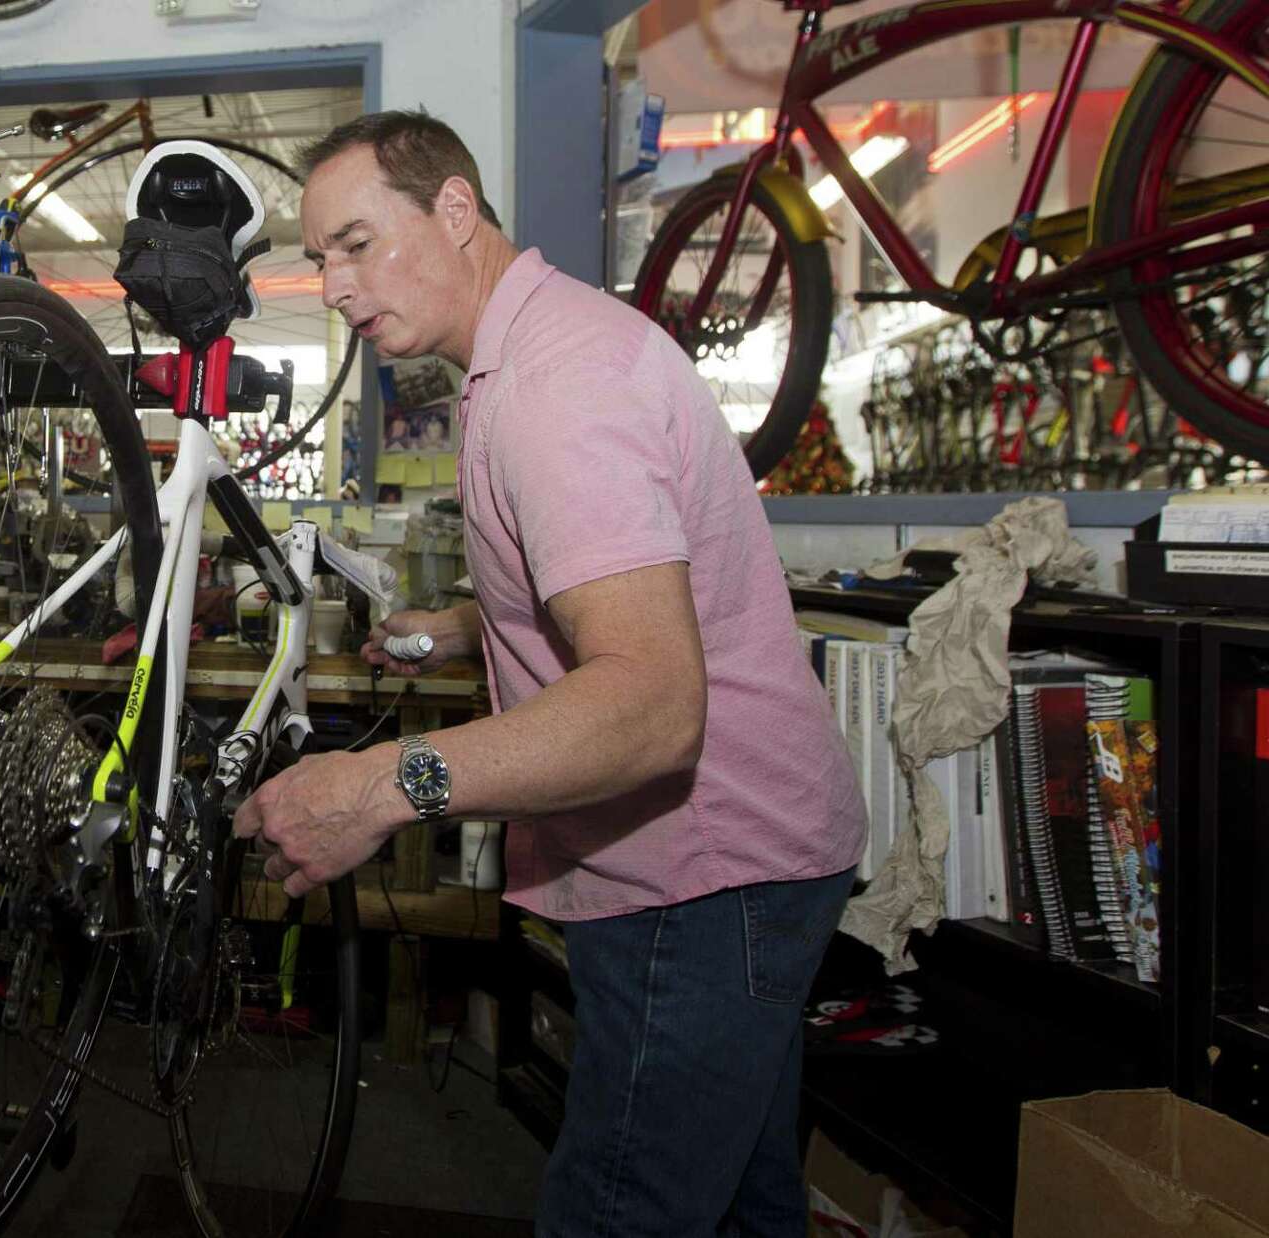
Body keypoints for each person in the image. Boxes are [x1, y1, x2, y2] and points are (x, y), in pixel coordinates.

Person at [229, 110, 867, 1237]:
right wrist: (477, 623)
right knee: (745, 1207)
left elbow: (652, 705)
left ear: (458, 210)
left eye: (356, 242)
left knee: (620, 1210)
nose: (331, 285)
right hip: (745, 859)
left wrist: (378, 787)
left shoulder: (555, 388)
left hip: (703, 877)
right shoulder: (540, 350)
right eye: (319, 256)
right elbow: (623, 591)